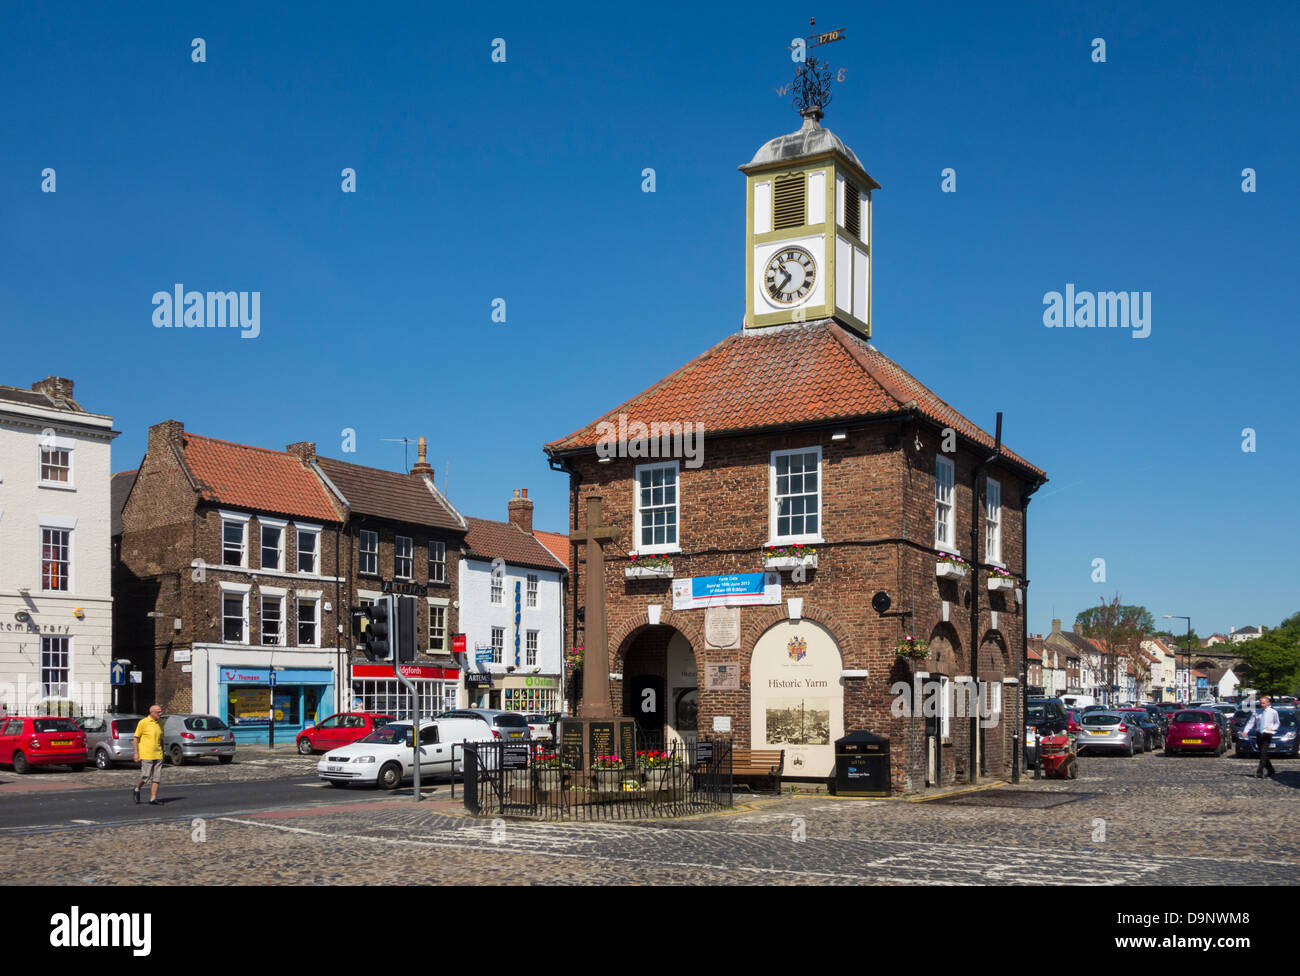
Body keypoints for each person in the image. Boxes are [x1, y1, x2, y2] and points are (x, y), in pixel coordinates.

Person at [133, 704, 165, 805]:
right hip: (146, 754)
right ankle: (137, 788)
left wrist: (163, 751)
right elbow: (136, 738)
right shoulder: (143, 722)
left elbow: (161, 738)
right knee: (145, 776)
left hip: (158, 754)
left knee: (157, 777)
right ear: (151, 713)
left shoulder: (160, 723)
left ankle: (153, 798)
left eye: (161, 711)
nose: (160, 714)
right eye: (158, 712)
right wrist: (136, 753)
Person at [1242, 696, 1280, 779]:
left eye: (1263, 703)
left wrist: (1272, 728)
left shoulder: (1273, 712)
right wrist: (1245, 731)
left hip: (1267, 733)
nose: (1261, 704)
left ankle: (1259, 772)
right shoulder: (1257, 712)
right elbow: (1251, 722)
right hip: (1259, 734)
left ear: (1268, 703)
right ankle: (1271, 770)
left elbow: (1277, 723)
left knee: (1263, 753)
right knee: (1262, 753)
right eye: (1260, 703)